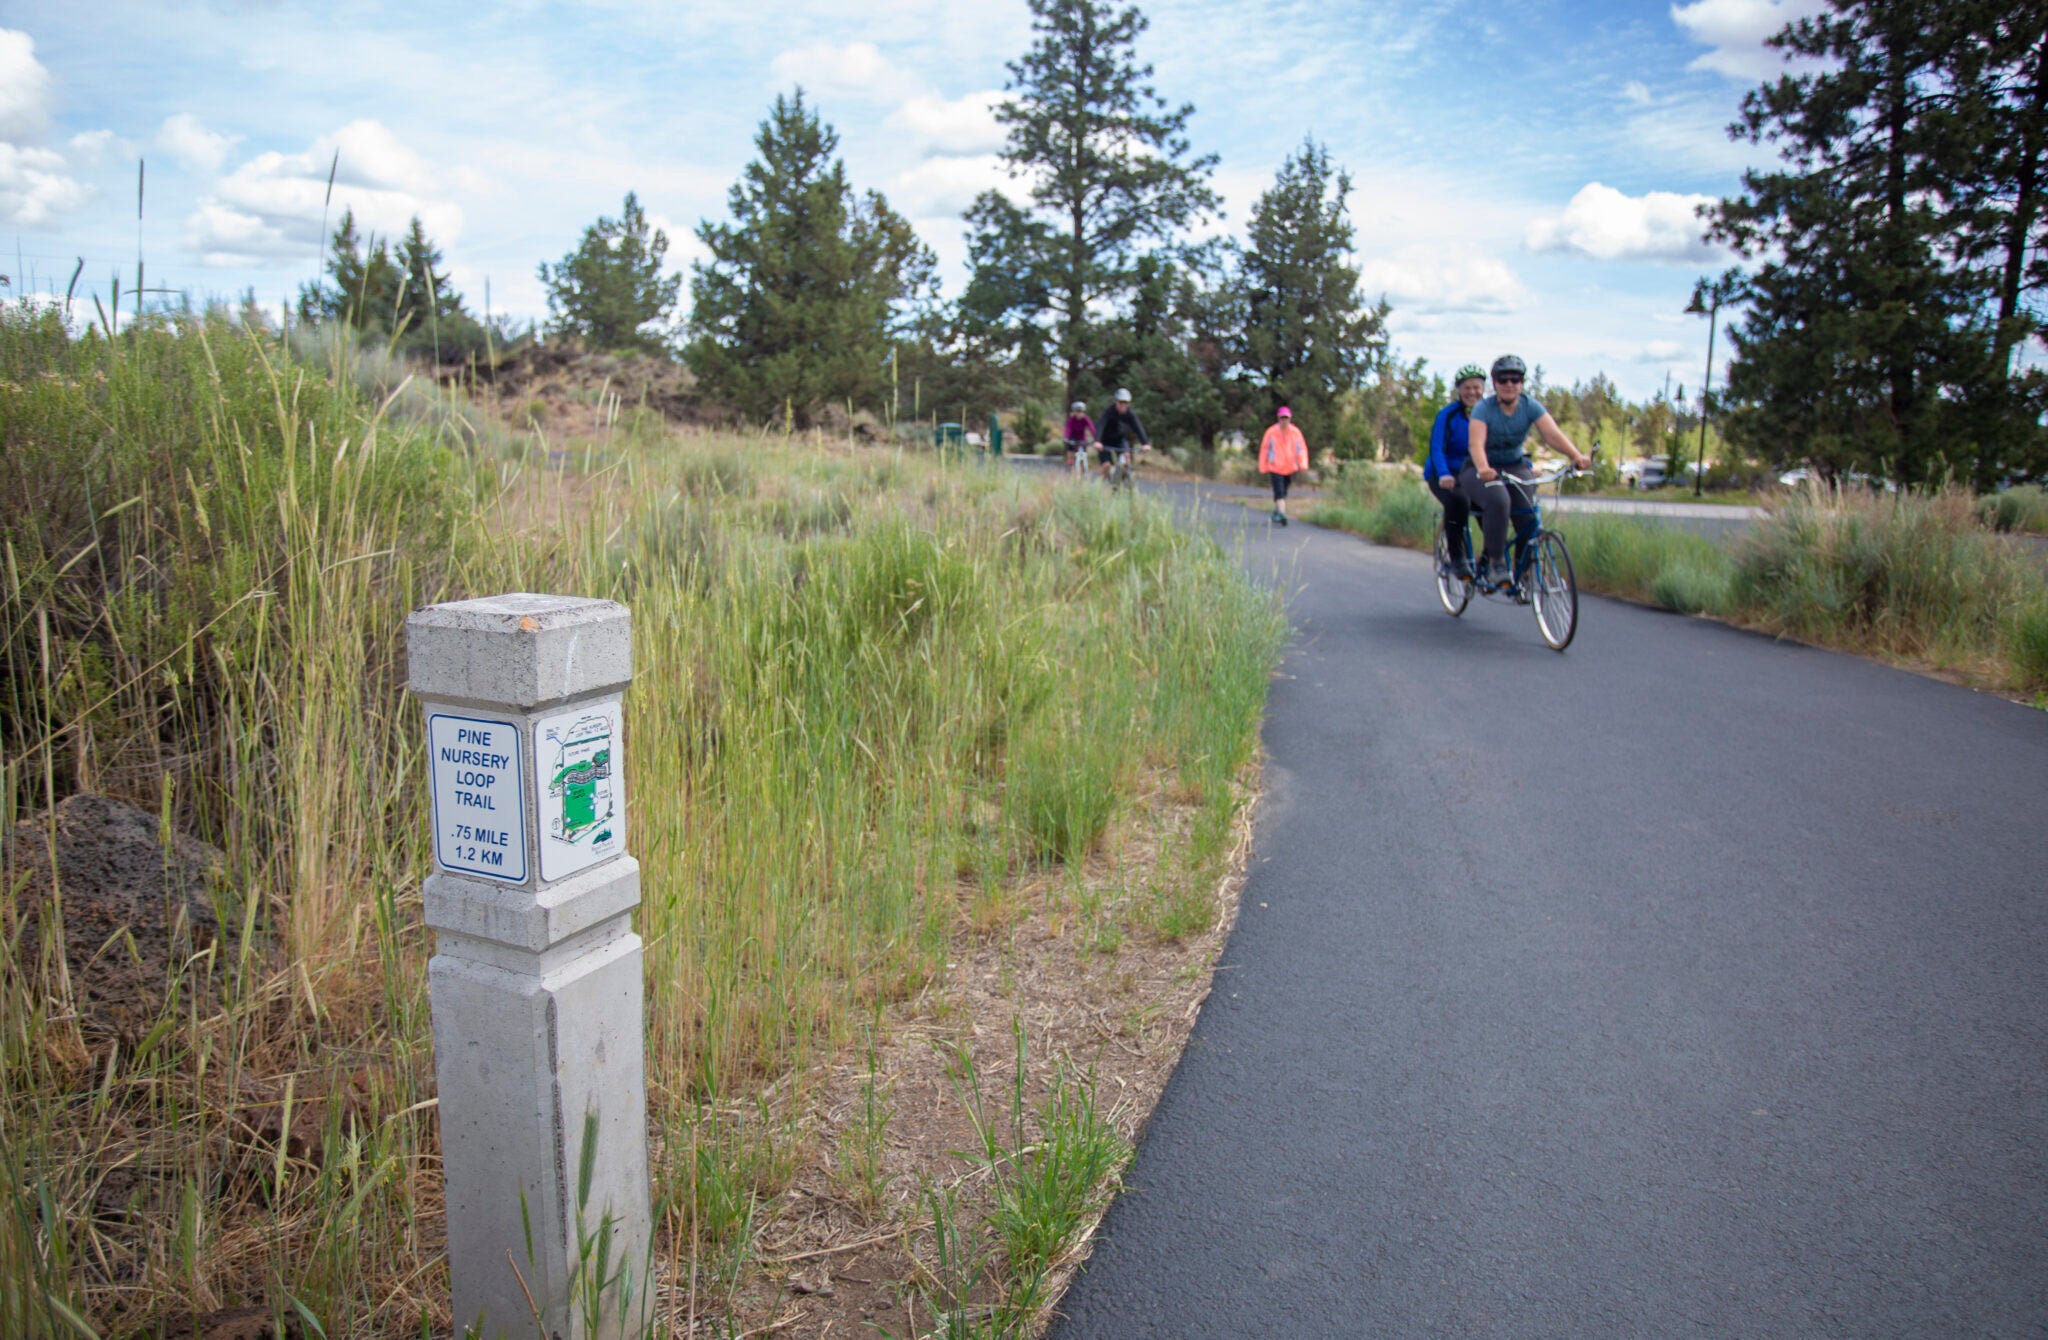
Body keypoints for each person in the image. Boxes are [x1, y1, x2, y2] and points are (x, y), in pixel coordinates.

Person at [1462, 354, 1592, 592]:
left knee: (1529, 515)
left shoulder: (1530, 406)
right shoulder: (1484, 408)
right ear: (1495, 383)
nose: (1510, 384)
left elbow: (1552, 435)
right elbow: (1476, 444)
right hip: (1480, 469)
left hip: (1514, 465)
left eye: (1515, 379)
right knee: (1499, 500)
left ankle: (1524, 572)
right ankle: (1496, 563)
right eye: (1503, 379)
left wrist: (1576, 456)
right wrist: (1483, 468)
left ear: (1522, 382)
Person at [1426, 366, 1486, 577]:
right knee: (1459, 501)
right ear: (1459, 390)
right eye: (1467, 388)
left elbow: (1503, 447)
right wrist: (1443, 474)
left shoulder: (1488, 416)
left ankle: (1489, 559)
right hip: (1443, 473)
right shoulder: (1448, 415)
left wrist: (1529, 467)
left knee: (1493, 506)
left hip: (1471, 474)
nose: (1472, 392)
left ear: (1484, 389)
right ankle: (1457, 557)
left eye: (1477, 388)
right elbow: (1436, 448)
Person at [1258, 405, 1310, 525]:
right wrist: (1263, 466)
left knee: (1284, 492)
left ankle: (1277, 511)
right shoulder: (1271, 432)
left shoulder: (1295, 432)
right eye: (1282, 418)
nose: (1284, 421)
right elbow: (1264, 449)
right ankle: (1282, 514)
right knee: (1279, 491)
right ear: (1278, 419)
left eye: (1286, 418)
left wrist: (1303, 464)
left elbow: (1301, 448)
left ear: (1290, 419)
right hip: (1275, 467)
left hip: (1290, 467)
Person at [1096, 388, 1149, 482]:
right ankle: (1102, 487)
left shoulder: (1130, 414)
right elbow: (1101, 424)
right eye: (1120, 403)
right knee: (1106, 466)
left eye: (1125, 403)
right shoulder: (1108, 412)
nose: (1123, 405)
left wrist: (1145, 443)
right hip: (1105, 442)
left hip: (1120, 440)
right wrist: (1098, 441)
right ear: (1116, 402)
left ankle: (1121, 483)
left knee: (1126, 459)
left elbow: (1138, 427)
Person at [1062, 400, 1095, 474]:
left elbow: (1091, 427)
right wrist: (1066, 438)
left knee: (1084, 454)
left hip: (1082, 439)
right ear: (1074, 412)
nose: (1079, 413)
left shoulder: (1086, 419)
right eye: (1077, 411)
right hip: (1072, 438)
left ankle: (1084, 468)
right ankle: (1070, 465)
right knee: (1071, 453)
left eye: (1081, 411)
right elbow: (1068, 428)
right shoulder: (1071, 419)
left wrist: (1095, 437)